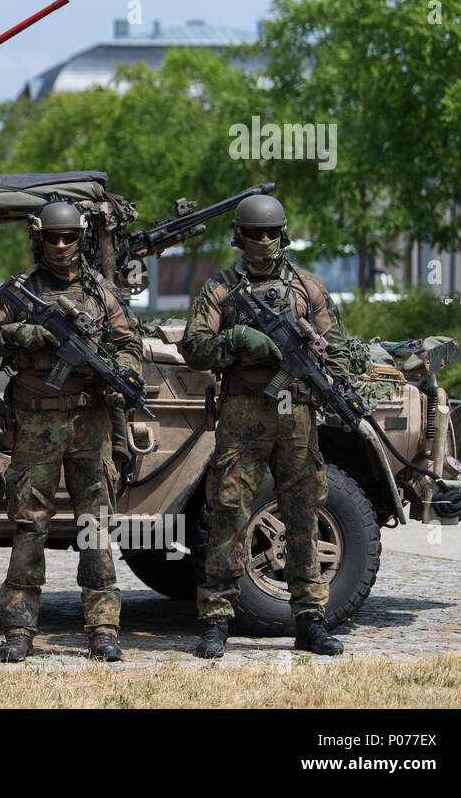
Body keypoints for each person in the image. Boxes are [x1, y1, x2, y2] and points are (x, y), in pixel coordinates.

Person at [0, 201, 143, 662]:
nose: (61, 245)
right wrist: (26, 335)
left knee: (95, 525)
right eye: (53, 238)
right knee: (30, 524)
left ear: (81, 237)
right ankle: (19, 629)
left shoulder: (102, 292)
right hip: (37, 420)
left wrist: (122, 370)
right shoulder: (19, 292)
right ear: (39, 238)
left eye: (69, 237)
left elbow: (129, 344)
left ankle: (103, 628)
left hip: (91, 420)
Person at [180, 195, 346, 658]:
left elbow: (334, 348)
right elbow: (193, 347)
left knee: (303, 513)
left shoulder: (307, 289)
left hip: (297, 415)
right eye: (256, 233)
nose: (265, 240)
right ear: (240, 236)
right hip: (244, 414)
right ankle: (216, 620)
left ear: (284, 234)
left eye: (272, 232)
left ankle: (310, 620)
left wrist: (316, 363)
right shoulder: (221, 289)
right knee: (229, 513)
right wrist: (236, 340)